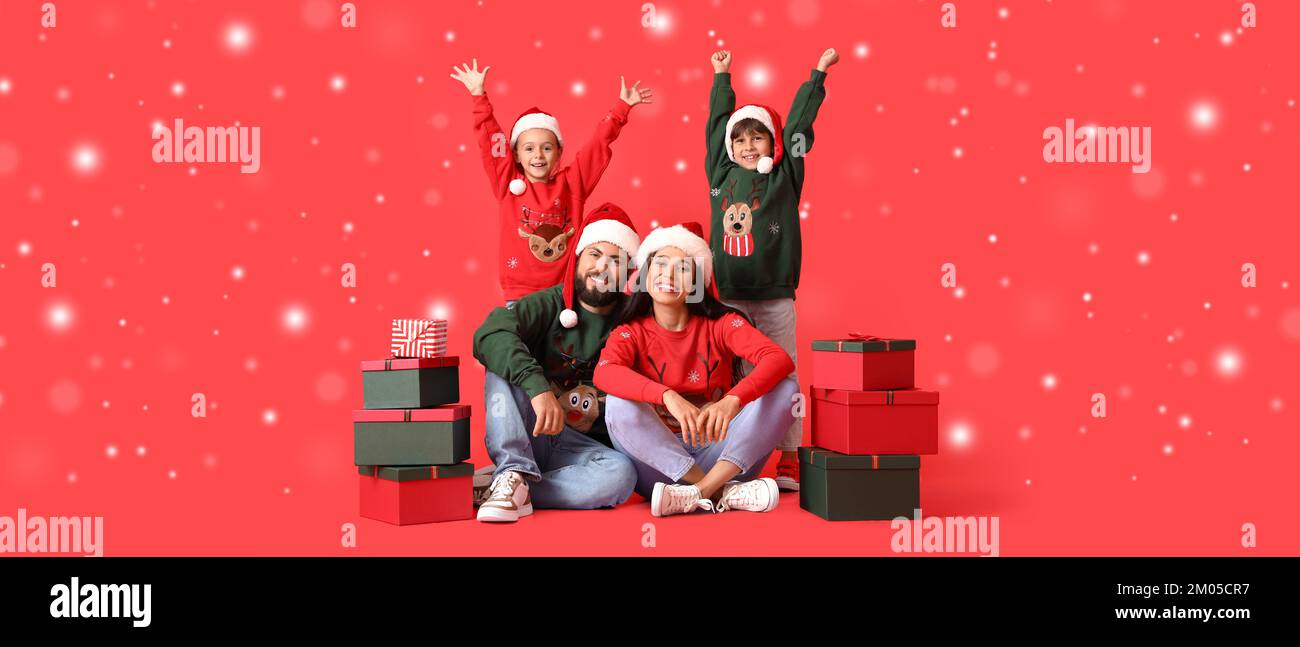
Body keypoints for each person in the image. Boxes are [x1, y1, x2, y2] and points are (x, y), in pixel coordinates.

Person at [594, 222, 798, 517]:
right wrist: (667, 396)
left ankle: (701, 492)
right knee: (618, 402)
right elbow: (605, 373)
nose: (669, 275)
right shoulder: (630, 331)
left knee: (787, 390)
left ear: (696, 282)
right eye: (660, 264)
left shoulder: (722, 324)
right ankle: (719, 492)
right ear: (645, 275)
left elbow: (778, 359)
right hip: (659, 471)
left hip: (724, 458)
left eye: (683, 268)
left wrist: (733, 400)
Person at [703, 48, 837, 491]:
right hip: (727, 297)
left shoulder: (785, 175)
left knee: (784, 371)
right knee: (729, 376)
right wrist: (722, 78)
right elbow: (715, 129)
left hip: (775, 295)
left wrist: (816, 75)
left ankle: (791, 456)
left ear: (772, 144)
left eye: (757, 138)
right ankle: (726, 455)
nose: (747, 146)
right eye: (740, 139)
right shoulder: (719, 174)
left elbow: (799, 126)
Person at [471, 204, 643, 522]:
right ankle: (512, 470)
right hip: (530, 431)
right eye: (594, 255)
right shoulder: (550, 303)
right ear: (577, 259)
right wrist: (538, 388)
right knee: (501, 356)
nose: (603, 267)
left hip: (581, 449)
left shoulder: (635, 324)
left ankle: (510, 487)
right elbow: (489, 332)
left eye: (616, 260)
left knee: (621, 476)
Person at [450, 59, 652, 305]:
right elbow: (491, 141)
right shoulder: (508, 183)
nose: (538, 155)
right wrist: (479, 97)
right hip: (518, 294)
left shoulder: (571, 184)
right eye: (529, 148)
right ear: (516, 154)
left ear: (558, 152)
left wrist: (621, 110)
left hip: (562, 294)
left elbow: (596, 147)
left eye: (546, 148)